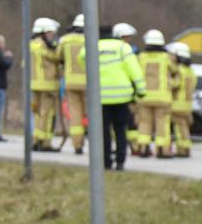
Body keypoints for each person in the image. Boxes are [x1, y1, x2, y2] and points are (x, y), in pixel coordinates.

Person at [81, 23, 145, 170]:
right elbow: (134, 69)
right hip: (122, 97)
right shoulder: (122, 47)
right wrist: (141, 90)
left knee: (103, 131)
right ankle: (120, 161)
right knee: (120, 130)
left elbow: (82, 58)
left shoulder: (91, 47)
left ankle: (106, 162)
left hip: (100, 97)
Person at [136, 29, 180, 158]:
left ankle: (143, 149)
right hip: (162, 97)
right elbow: (175, 70)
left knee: (144, 123)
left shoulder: (141, 57)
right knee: (163, 124)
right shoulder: (167, 57)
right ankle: (162, 150)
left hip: (144, 96)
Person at [29, 17, 62, 151]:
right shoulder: (43, 46)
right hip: (47, 85)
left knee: (37, 113)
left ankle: (36, 139)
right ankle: (44, 142)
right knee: (47, 114)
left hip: (34, 84)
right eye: (49, 33)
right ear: (42, 32)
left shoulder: (30, 44)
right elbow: (56, 58)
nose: (52, 36)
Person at [57, 14, 88, 154]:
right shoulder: (91, 39)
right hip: (88, 83)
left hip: (70, 81)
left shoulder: (64, 40)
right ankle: (95, 144)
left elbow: (58, 57)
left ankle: (77, 144)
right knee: (90, 114)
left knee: (75, 113)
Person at [111, 23, 144, 154]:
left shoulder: (133, 51)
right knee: (120, 122)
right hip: (121, 90)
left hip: (130, 91)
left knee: (132, 121)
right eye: (125, 37)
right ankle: (121, 146)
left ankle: (134, 147)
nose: (128, 39)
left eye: (129, 37)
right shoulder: (121, 51)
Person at [168, 42, 196, 157]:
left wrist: (167, 80)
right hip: (188, 104)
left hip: (177, 104)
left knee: (179, 128)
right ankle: (186, 148)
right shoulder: (191, 71)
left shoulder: (179, 69)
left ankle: (182, 150)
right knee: (184, 127)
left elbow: (176, 84)